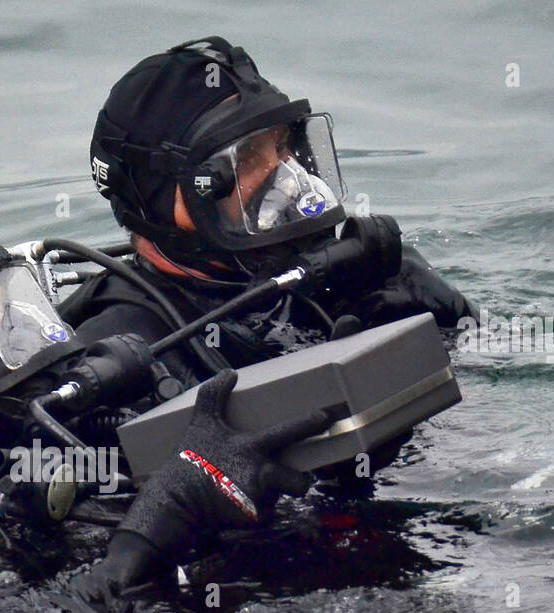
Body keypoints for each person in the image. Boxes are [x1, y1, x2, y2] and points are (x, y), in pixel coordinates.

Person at [64, 36, 478, 375]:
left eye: (281, 147)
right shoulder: (119, 352)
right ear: (160, 198)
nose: (287, 179)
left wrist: (450, 322)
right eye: (245, 160)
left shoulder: (317, 284)